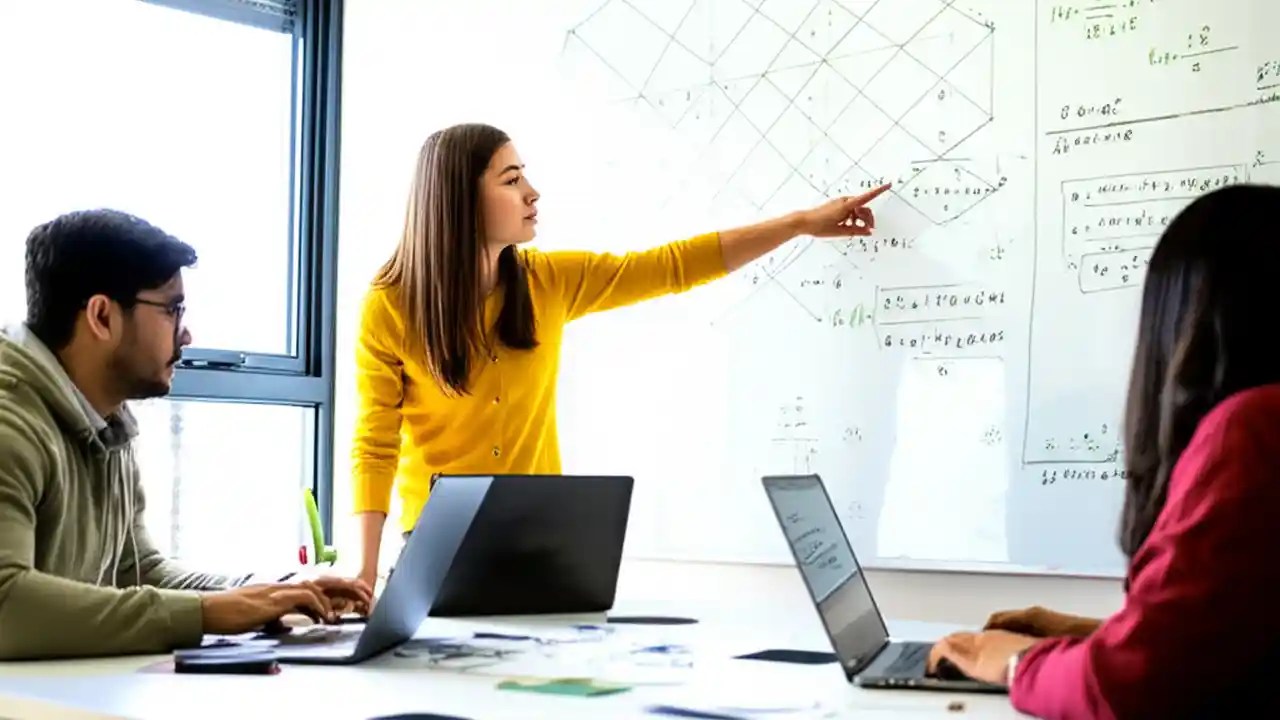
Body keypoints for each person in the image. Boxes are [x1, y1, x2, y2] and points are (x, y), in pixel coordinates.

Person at [350, 122, 892, 587]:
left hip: (540, 540)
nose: (533, 192)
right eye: (512, 181)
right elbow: (375, 442)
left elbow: (671, 266)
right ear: (458, 199)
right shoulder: (392, 304)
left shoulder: (549, 281)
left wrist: (798, 224)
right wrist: (366, 575)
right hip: (438, 550)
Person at [926, 184, 1280, 718]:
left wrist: (1018, 664)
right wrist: (1083, 634)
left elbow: (1135, 685)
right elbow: (1231, 647)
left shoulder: (1254, 424)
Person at [0, 209, 371, 660]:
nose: (187, 334)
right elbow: (8, 605)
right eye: (171, 310)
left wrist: (268, 593)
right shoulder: (10, 420)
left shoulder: (103, 419)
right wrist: (207, 612)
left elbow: (135, 569)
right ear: (101, 316)